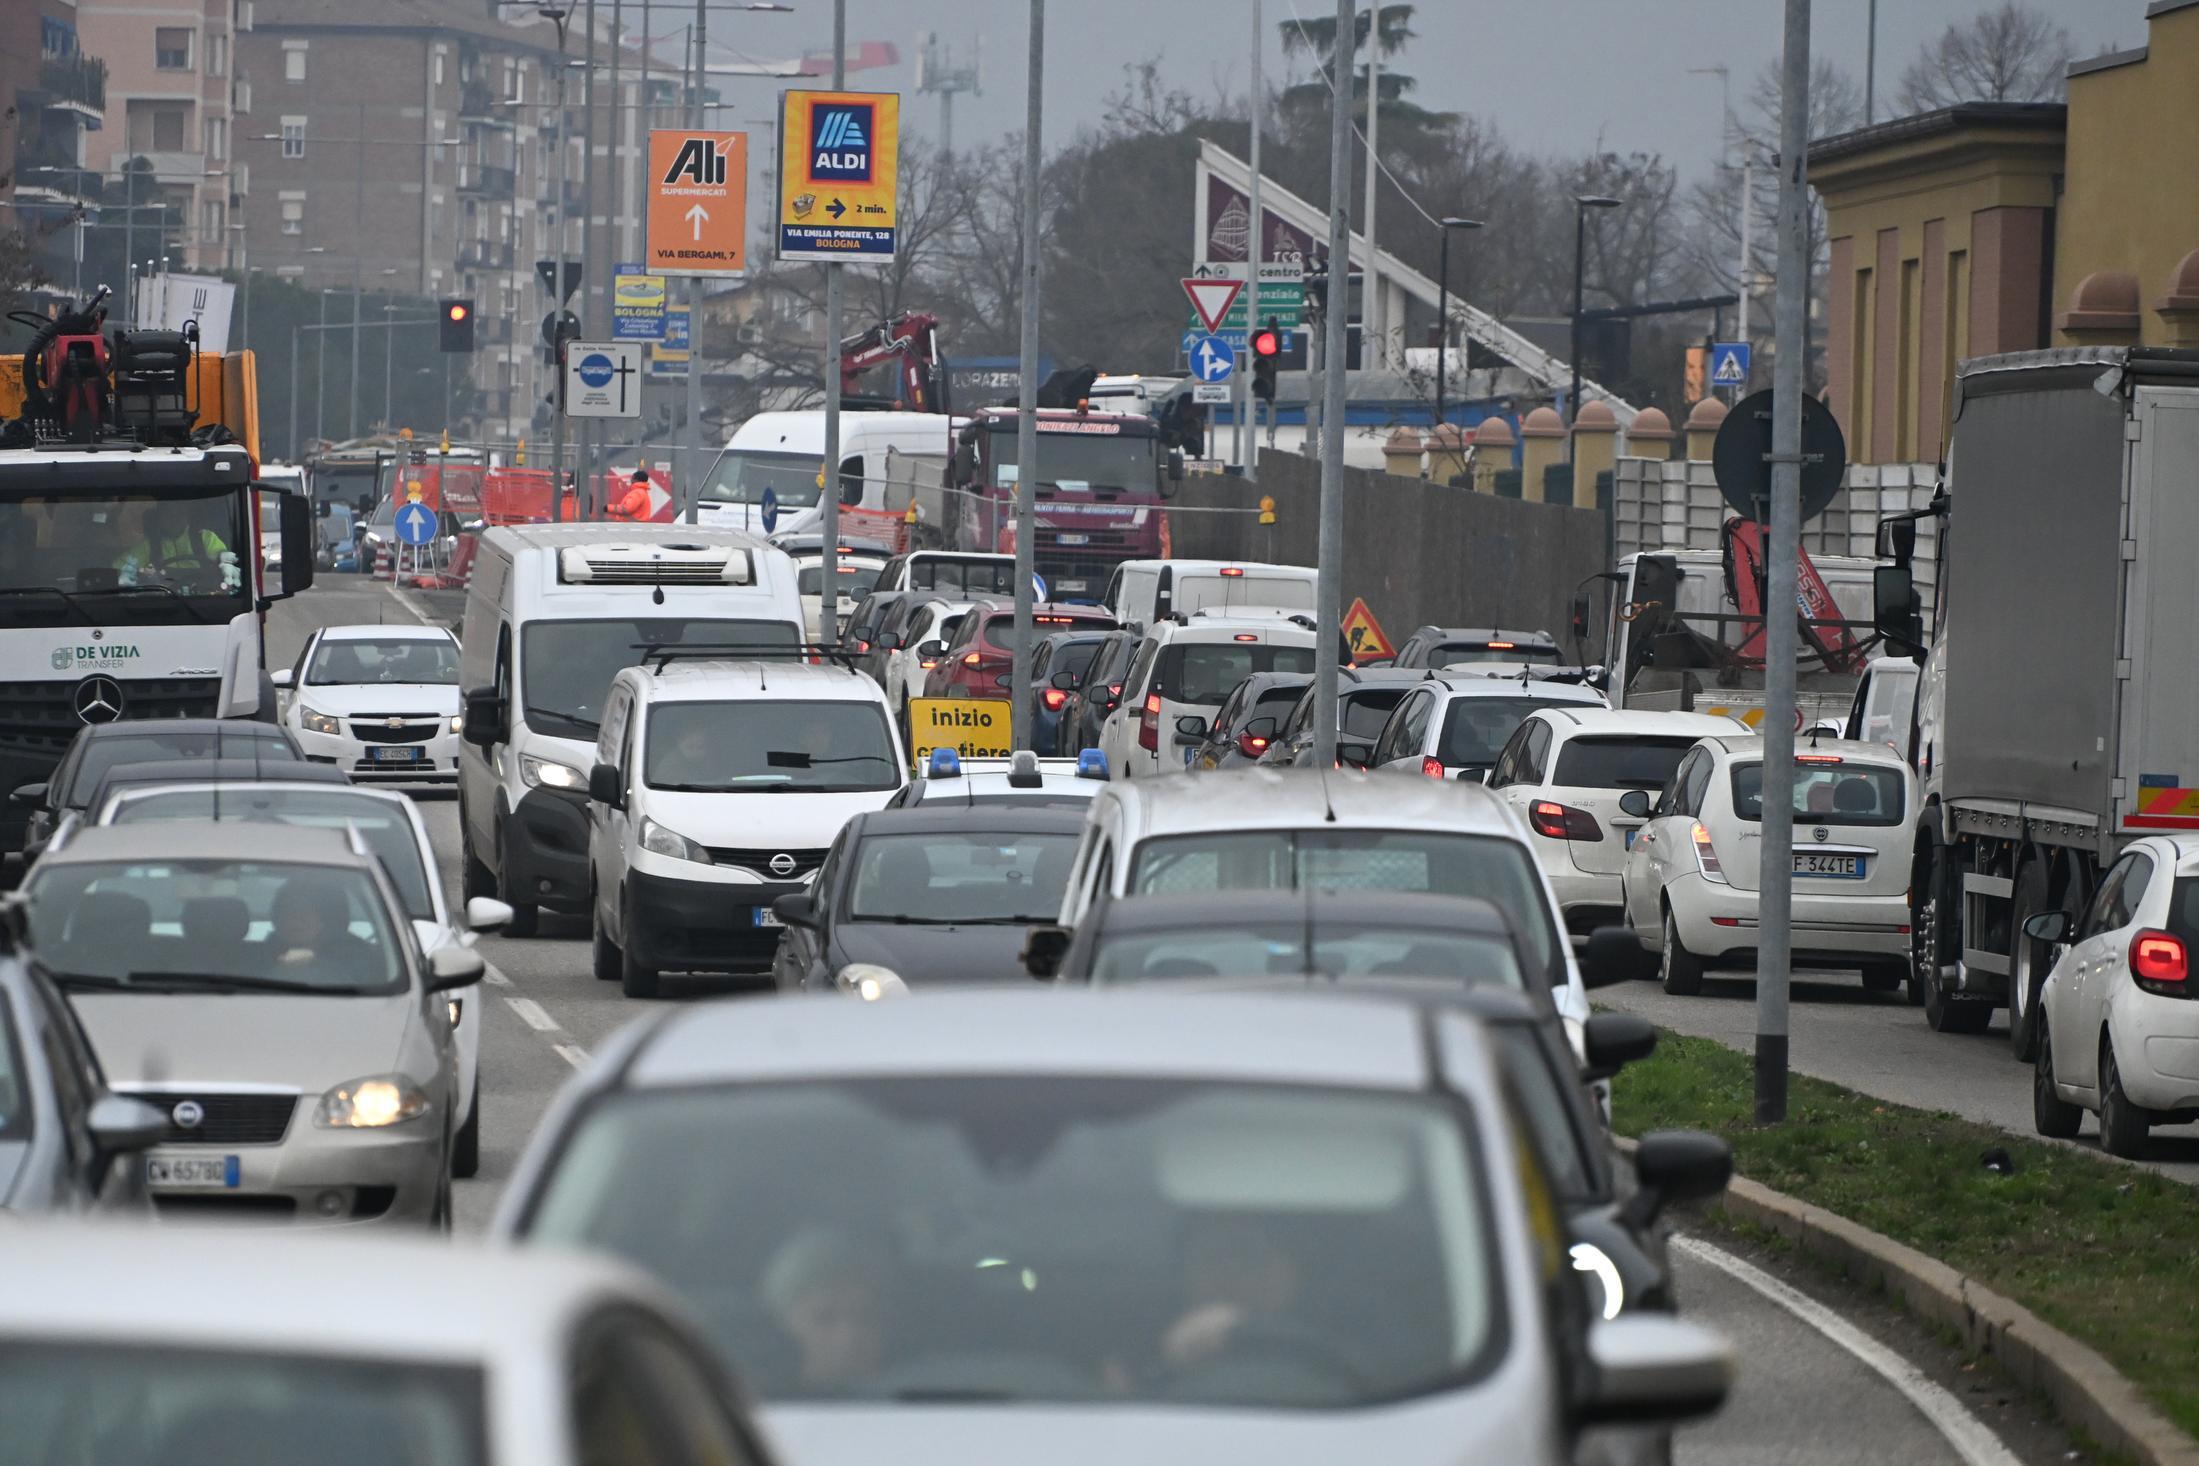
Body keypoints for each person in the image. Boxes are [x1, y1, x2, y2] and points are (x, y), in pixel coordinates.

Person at [760, 1228, 889, 1392]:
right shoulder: (759, 1407)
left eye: (865, 1319)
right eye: (825, 1319)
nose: (848, 1339)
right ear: (783, 1326)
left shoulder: (919, 1408)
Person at [116, 501, 231, 590]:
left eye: (180, 513)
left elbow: (223, 560)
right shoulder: (149, 545)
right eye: (169, 514)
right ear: (160, 518)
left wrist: (222, 563)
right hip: (164, 601)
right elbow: (118, 568)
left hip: (201, 599)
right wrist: (135, 574)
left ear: (188, 516)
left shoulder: (206, 538)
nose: (174, 518)